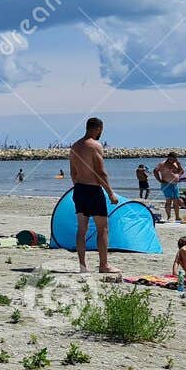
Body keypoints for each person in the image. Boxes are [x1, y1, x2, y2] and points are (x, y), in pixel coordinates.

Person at [70, 117, 120, 273]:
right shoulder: (95, 145)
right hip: (93, 190)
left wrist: (78, 187)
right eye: (101, 130)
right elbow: (100, 172)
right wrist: (110, 192)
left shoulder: (75, 147)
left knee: (81, 229)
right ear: (98, 128)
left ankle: (82, 266)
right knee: (102, 229)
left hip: (79, 189)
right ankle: (103, 265)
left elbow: (73, 172)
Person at [154, 153, 185, 223]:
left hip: (175, 185)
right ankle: (169, 217)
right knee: (168, 201)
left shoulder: (176, 164)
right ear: (168, 158)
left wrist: (179, 165)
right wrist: (159, 180)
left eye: (174, 159)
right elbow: (155, 171)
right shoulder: (162, 164)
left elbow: (181, 172)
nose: (172, 161)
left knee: (176, 201)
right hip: (166, 184)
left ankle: (177, 217)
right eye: (170, 159)